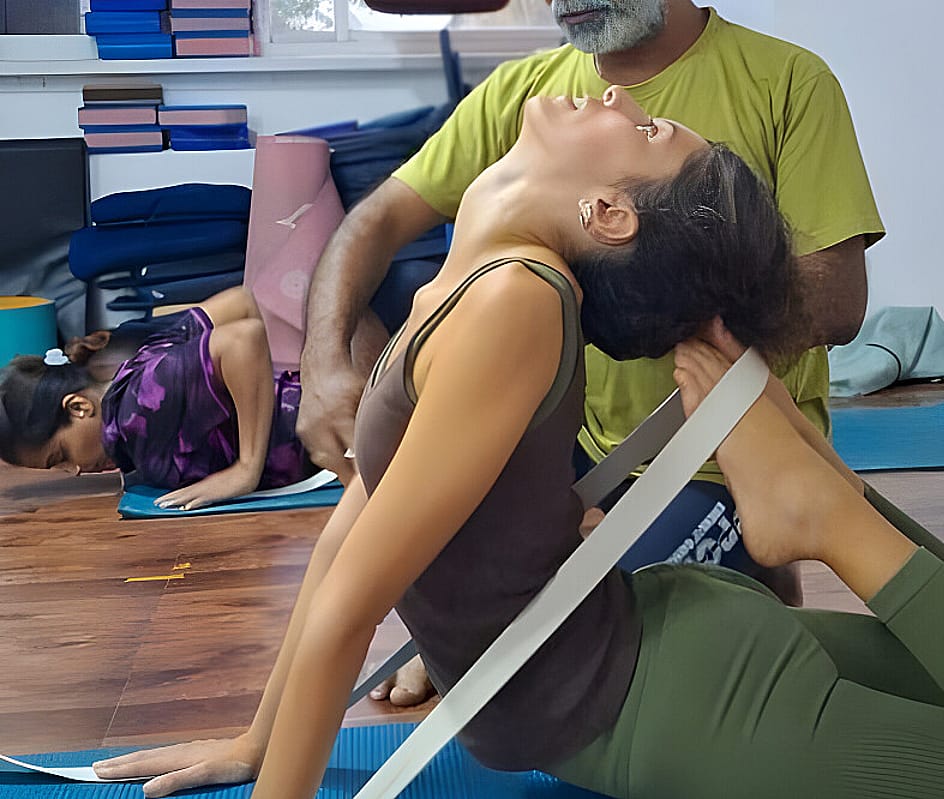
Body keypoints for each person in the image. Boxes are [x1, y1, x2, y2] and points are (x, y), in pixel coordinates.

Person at [92, 88, 944, 799]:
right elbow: (349, 542)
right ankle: (816, 506)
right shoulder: (475, 294)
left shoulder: (508, 304)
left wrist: (262, 762)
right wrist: (252, 742)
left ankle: (820, 512)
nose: (621, 97)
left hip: (686, 684)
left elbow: (348, 601)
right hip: (679, 666)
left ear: (612, 212)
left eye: (651, 131)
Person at [303, 0, 884, 707]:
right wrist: (323, 364)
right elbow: (376, 218)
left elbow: (837, 302)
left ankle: (747, 559)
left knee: (565, 659)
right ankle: (619, 554)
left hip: (709, 461)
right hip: (571, 446)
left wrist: (650, 295)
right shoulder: (539, 100)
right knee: (494, 616)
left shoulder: (789, 81)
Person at [0, 287, 319, 511]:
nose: (76, 470)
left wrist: (245, 468)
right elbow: (240, 302)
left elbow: (243, 338)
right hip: (325, 416)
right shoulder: (131, 381)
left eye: (61, 456)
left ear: (79, 407)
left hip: (328, 445)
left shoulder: (141, 404)